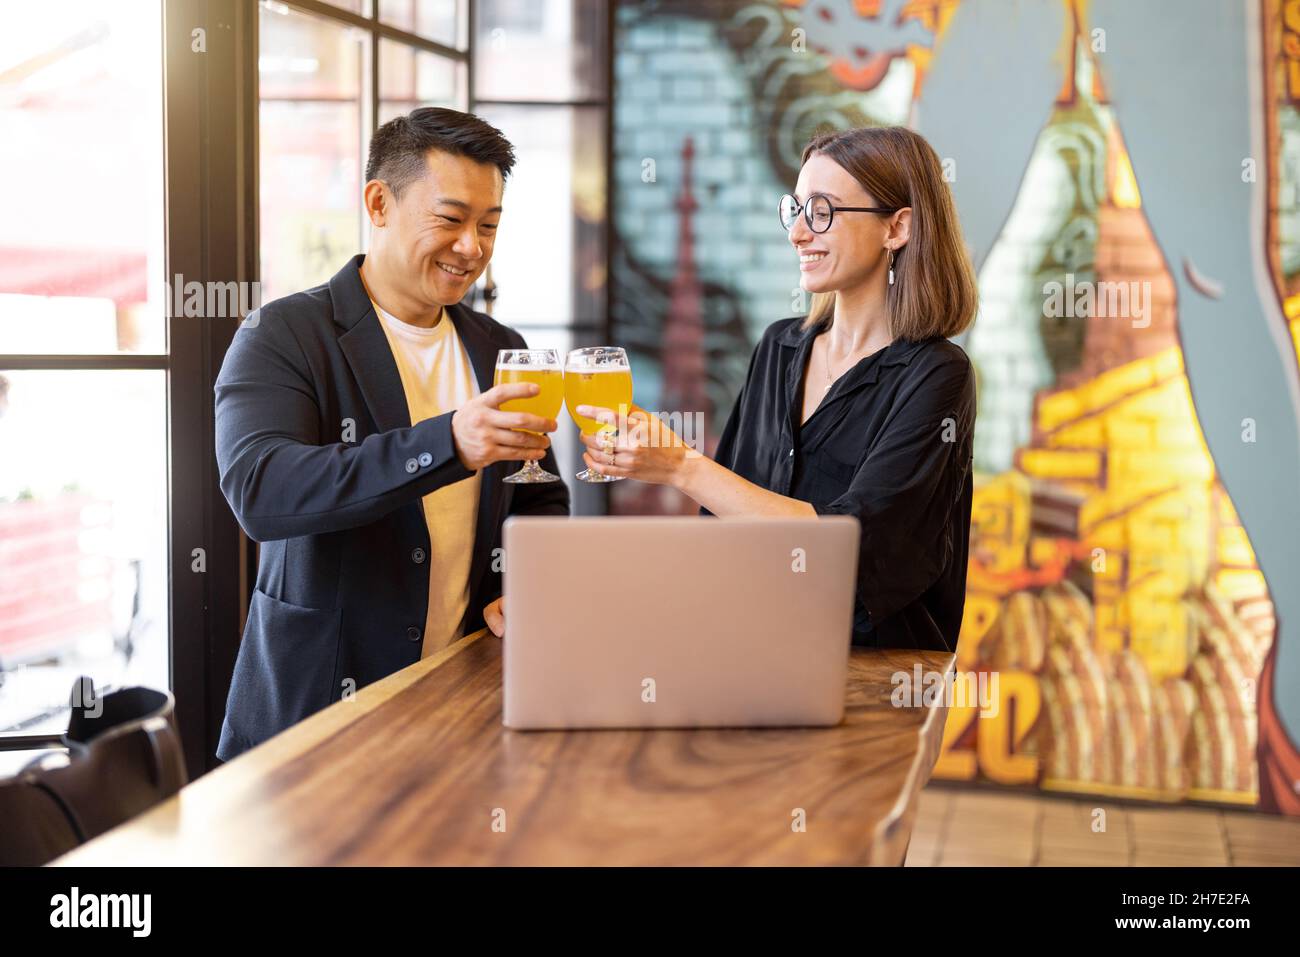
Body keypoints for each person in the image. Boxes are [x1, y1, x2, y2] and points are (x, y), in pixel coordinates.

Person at [213, 108, 568, 761]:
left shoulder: (501, 347)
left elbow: (537, 490)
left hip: (457, 710)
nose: (473, 247)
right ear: (378, 202)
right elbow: (262, 491)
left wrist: (520, 585)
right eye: (451, 219)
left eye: (490, 225)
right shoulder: (284, 335)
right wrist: (449, 443)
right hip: (312, 721)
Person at [576, 126, 977, 652]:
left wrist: (680, 465)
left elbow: (850, 549)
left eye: (823, 211)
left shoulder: (937, 374)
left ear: (897, 227)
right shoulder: (780, 346)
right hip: (751, 655)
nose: (798, 233)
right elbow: (723, 528)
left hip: (875, 684)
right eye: (796, 210)